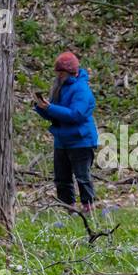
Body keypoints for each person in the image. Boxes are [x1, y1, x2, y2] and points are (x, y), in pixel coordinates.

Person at [34, 51, 98, 214]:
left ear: (71, 72)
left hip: (81, 140)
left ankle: (89, 208)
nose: (58, 76)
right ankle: (68, 208)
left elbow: (76, 115)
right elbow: (55, 114)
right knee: (61, 178)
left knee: (82, 177)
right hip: (62, 140)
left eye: (61, 72)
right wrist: (40, 107)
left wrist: (50, 107)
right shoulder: (59, 87)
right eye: (58, 72)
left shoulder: (81, 89)